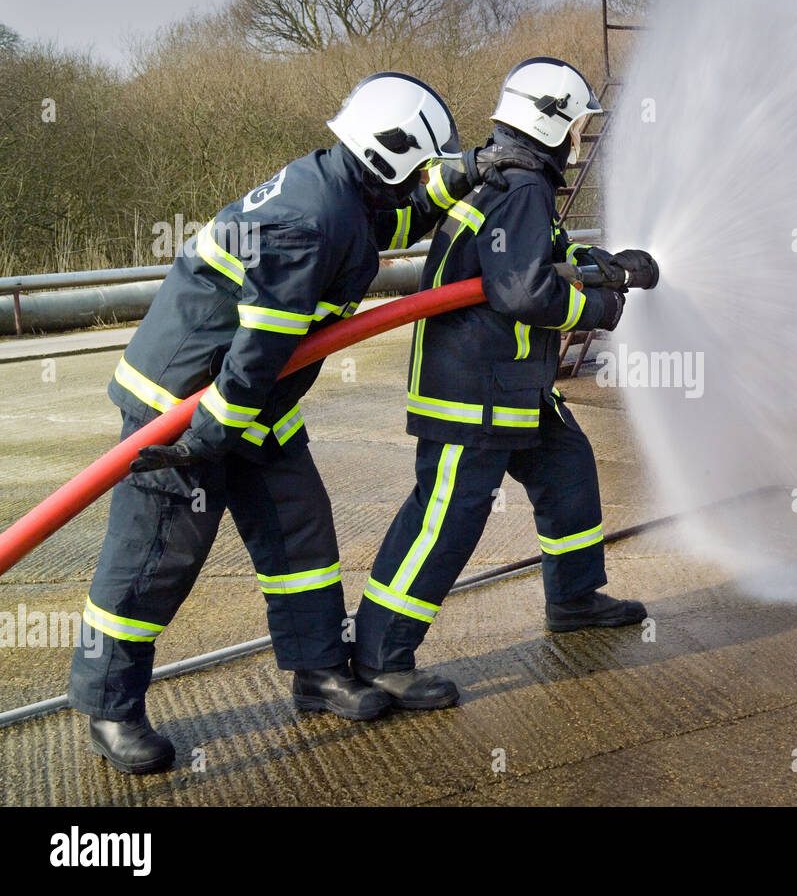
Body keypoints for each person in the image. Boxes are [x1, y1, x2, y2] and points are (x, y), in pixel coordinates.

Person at [68, 72, 530, 773]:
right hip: (185, 401)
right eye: (425, 163)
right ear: (391, 152)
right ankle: (110, 707)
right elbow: (255, 354)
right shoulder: (308, 222)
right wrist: (207, 441)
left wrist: (468, 172)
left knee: (300, 529)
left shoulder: (343, 186)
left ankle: (316, 672)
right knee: (156, 557)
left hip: (251, 397)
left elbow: (393, 218)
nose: (424, 179)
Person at [353, 57, 658, 710]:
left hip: (512, 384)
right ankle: (380, 657)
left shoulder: (509, 181)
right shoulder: (521, 187)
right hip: (476, 390)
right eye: (577, 124)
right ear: (551, 123)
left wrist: (600, 266)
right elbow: (524, 291)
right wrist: (598, 309)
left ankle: (574, 597)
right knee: (446, 519)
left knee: (568, 467)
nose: (580, 137)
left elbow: (523, 258)